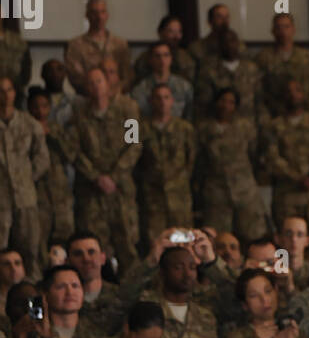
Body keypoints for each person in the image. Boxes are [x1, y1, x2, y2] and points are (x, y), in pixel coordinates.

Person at [71, 65, 141, 272]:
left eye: (99, 81)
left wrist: (115, 176)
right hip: (91, 190)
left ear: (108, 83)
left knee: (127, 244)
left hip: (121, 188)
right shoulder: (79, 114)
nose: (96, 87)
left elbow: (135, 144)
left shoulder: (127, 109)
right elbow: (74, 150)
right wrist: (96, 176)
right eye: (90, 83)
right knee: (94, 246)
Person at [263, 79, 309, 237]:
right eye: (288, 91)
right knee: (289, 243)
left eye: (297, 90)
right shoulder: (274, 126)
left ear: (304, 94)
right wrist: (297, 177)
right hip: (287, 196)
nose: (293, 95)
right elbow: (271, 158)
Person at [194, 88, 267, 245]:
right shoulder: (204, 129)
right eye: (222, 101)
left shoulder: (245, 127)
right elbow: (199, 160)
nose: (226, 106)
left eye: (231, 102)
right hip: (216, 190)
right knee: (217, 238)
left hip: (245, 189)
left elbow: (255, 153)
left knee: (252, 234)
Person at [0, 75, 49, 278]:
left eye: (8, 90)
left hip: (25, 198)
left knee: (30, 254)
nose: (5, 96)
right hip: (1, 199)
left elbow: (42, 158)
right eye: (0, 91)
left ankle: (33, 307)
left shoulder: (29, 124)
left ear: (15, 93)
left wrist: (27, 178)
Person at [136, 84, 196, 247]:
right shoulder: (136, 127)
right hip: (151, 196)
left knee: (184, 241)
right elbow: (130, 155)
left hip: (179, 196)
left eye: (166, 97)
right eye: (158, 98)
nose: (162, 102)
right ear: (150, 101)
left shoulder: (185, 128)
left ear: (173, 101)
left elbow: (192, 159)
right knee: (154, 241)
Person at [27, 87, 76, 259]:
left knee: (65, 235)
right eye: (35, 107)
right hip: (37, 193)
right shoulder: (25, 129)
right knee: (38, 240)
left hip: (60, 191)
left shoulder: (57, 128)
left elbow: (71, 154)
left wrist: (53, 135)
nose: (40, 111)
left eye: (44, 106)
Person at [255, 11, 309, 119]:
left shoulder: (307, 58)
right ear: (273, 31)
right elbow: (258, 90)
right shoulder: (263, 58)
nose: (283, 31)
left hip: (304, 115)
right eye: (279, 27)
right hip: (274, 116)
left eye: (286, 27)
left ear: (293, 29)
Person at [64, 0, 132, 95]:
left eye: (102, 12)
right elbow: (76, 78)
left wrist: (112, 92)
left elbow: (127, 76)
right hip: (87, 99)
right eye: (94, 13)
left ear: (107, 15)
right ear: (87, 15)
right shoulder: (75, 45)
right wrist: (97, 90)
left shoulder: (120, 44)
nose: (99, 17)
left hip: (117, 98)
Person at [67, 230, 126, 338]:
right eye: (78, 254)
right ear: (68, 261)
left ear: (103, 258)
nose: (86, 259)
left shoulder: (120, 296)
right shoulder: (63, 298)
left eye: (91, 252)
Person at [195, 28, 261, 123]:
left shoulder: (251, 69)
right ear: (219, 44)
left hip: (247, 125)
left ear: (238, 43)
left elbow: (259, 101)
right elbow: (202, 103)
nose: (229, 45)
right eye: (225, 41)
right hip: (219, 126)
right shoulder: (209, 70)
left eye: (232, 41)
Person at [131, 42, 193, 120]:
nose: (162, 60)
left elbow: (189, 115)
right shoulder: (141, 89)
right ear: (150, 59)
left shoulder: (184, 86)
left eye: (166, 55)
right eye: (157, 56)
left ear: (171, 58)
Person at [133, 14, 195, 84]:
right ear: (160, 33)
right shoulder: (145, 58)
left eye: (179, 32)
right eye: (171, 31)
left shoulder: (186, 58)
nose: (176, 36)